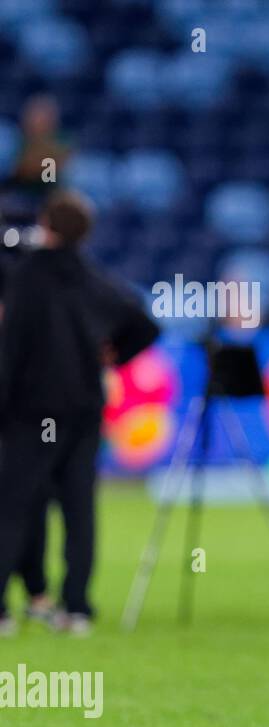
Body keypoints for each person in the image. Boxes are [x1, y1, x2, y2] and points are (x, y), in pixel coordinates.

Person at [0, 190, 158, 635]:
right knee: (78, 507)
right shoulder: (93, 278)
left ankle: (5, 608)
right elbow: (145, 325)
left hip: (32, 410)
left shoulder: (27, 277)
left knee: (13, 505)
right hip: (84, 409)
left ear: (47, 226)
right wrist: (114, 353)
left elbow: (11, 348)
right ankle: (77, 607)